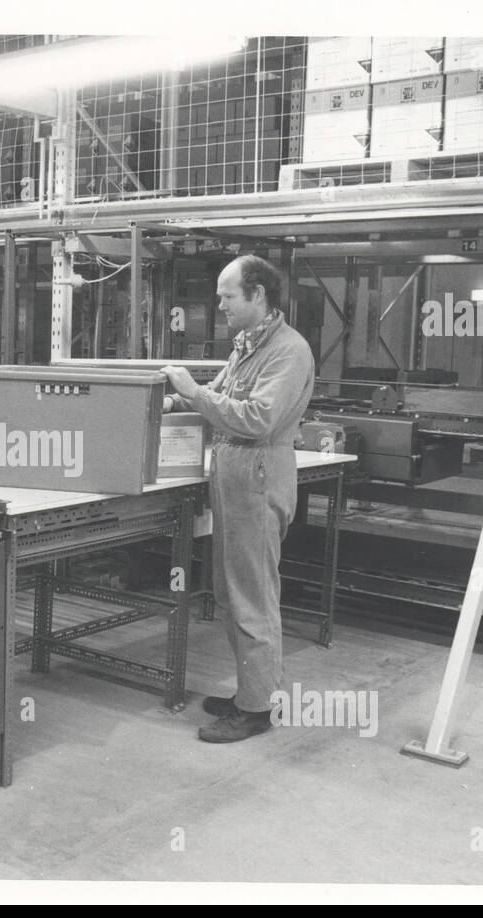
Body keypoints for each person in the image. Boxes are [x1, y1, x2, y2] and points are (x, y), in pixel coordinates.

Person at [161, 255, 314, 743]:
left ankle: (256, 709)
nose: (220, 303)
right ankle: (253, 691)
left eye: (229, 296)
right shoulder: (248, 346)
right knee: (231, 591)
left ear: (259, 296)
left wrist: (193, 392)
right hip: (233, 474)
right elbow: (220, 396)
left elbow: (257, 418)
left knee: (252, 595)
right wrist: (174, 399)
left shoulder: (289, 352)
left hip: (258, 476)